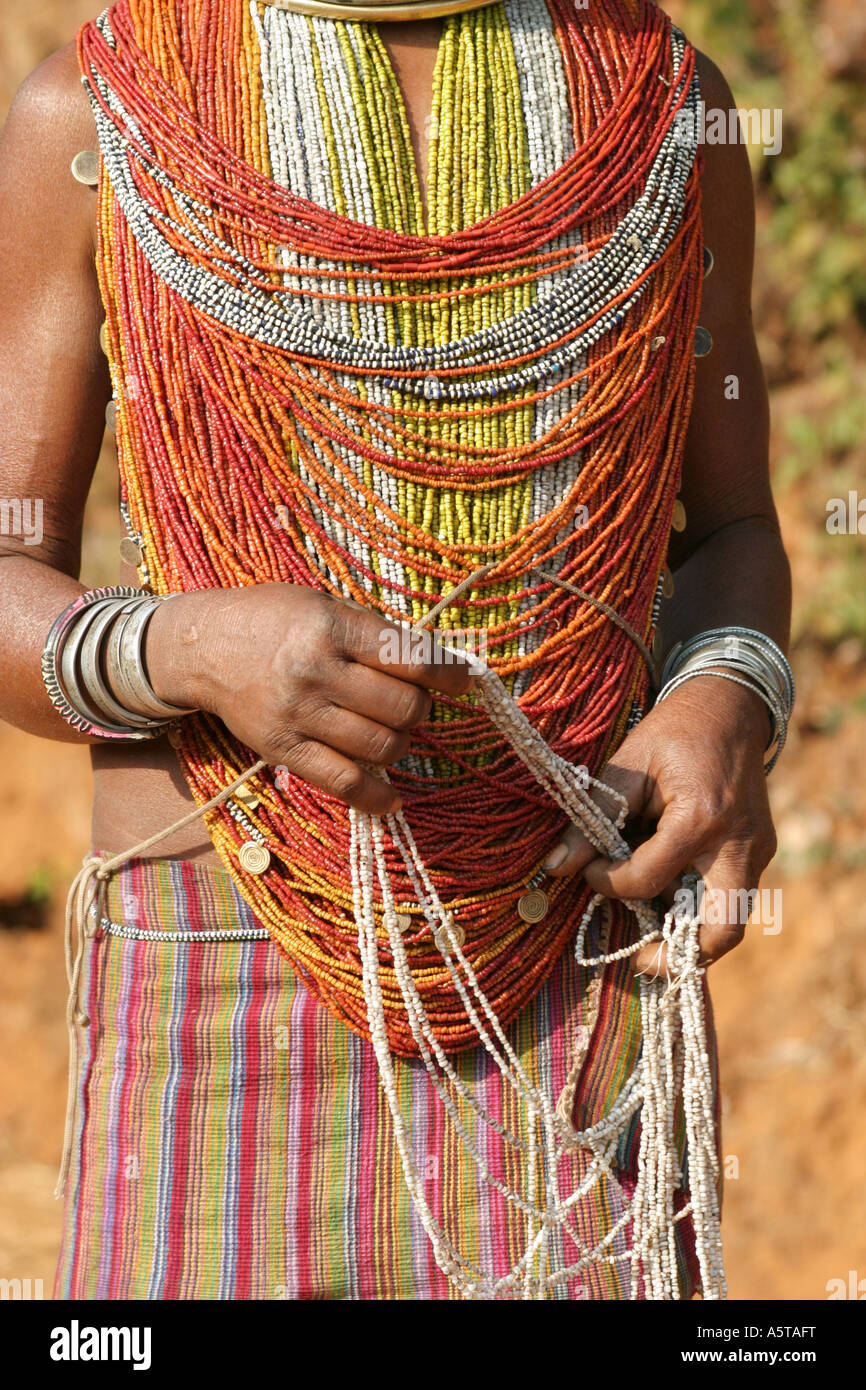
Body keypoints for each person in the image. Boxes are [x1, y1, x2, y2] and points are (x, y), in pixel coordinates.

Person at [0, 0, 791, 1300]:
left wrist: (724, 688)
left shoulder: (662, 106)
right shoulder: (100, 110)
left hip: (568, 947)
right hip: (220, 957)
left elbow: (738, 527)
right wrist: (184, 647)